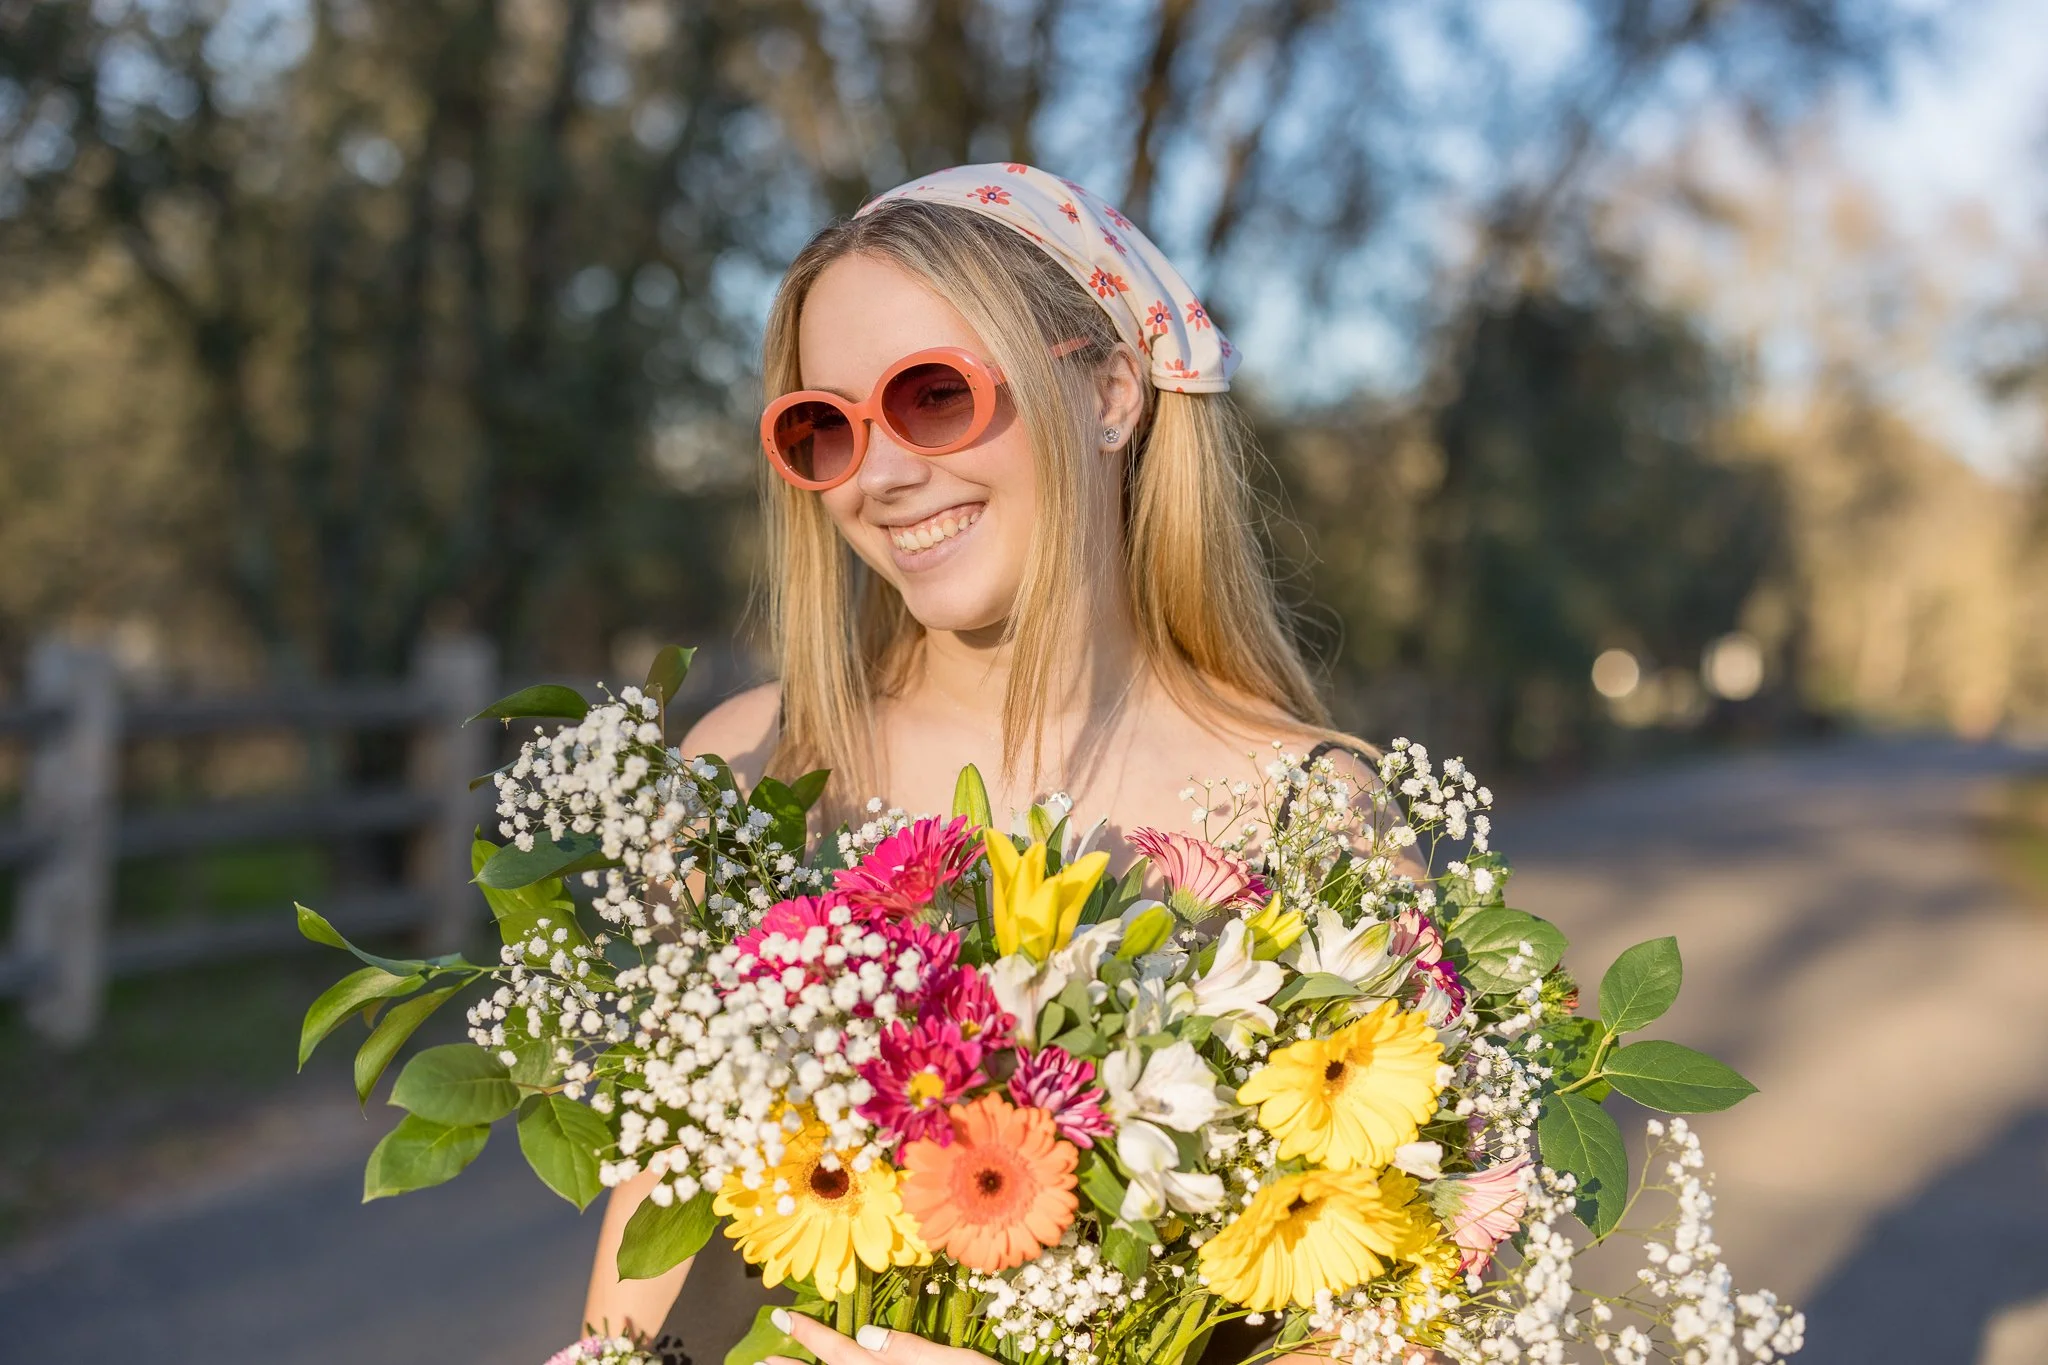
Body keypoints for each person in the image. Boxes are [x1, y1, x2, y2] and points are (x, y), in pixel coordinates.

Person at [578, 163, 1359, 1364]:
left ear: (1107, 390)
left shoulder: (1305, 811)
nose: (880, 476)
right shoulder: (744, 767)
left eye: (932, 395)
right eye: (821, 428)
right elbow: (658, 1207)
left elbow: (1402, 1310)